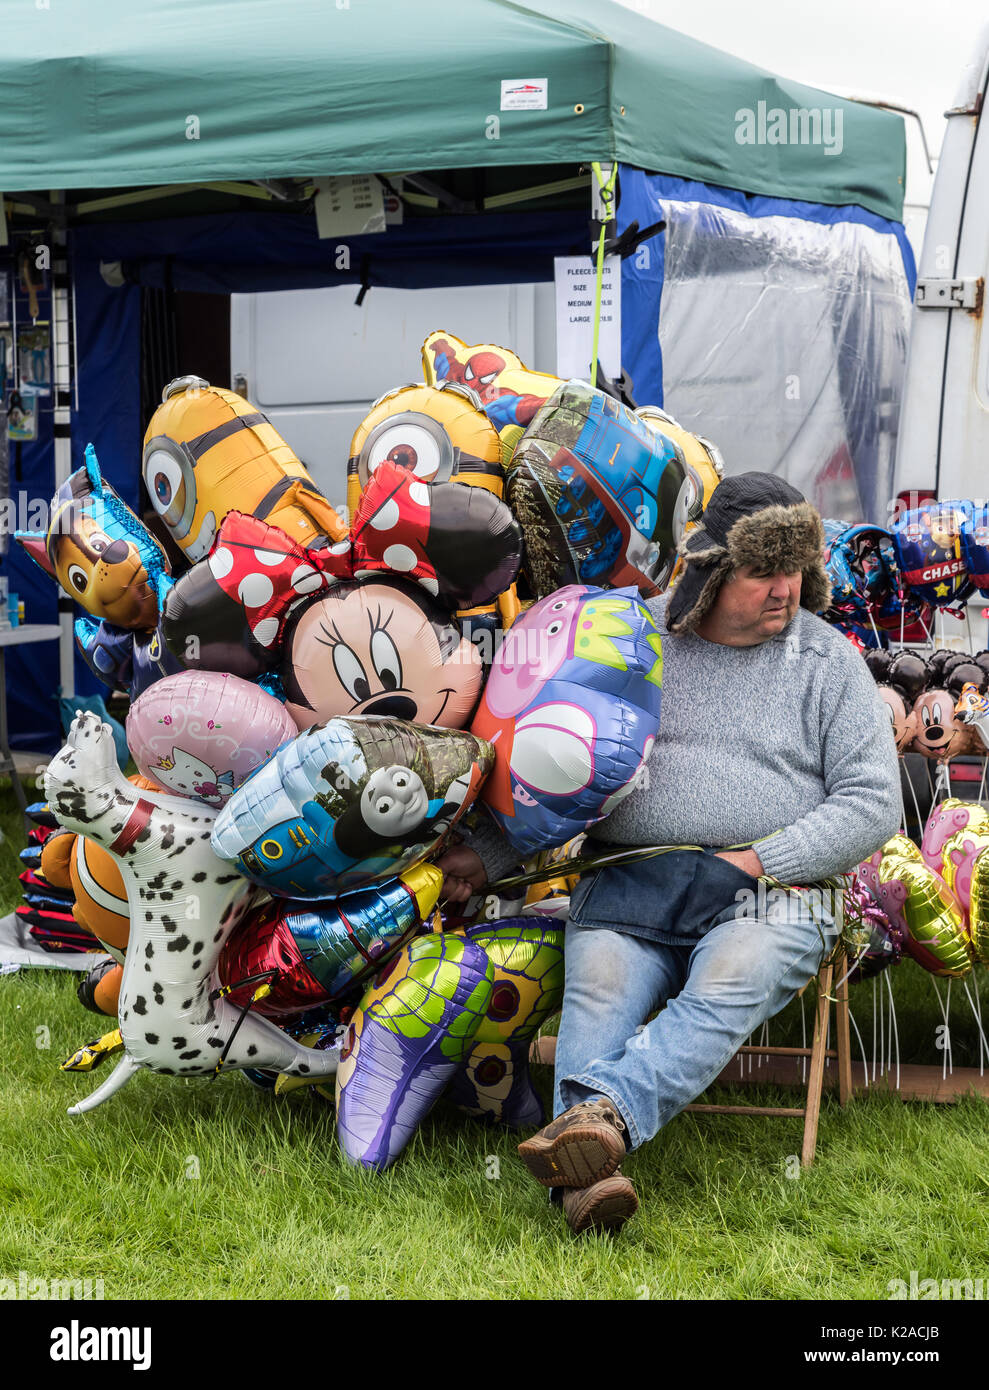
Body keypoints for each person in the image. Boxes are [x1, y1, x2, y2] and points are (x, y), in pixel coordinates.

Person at [438, 473, 900, 1236]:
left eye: (794, 569)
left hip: (770, 885)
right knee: (597, 996)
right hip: (630, 875)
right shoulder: (629, 640)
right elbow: (554, 758)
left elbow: (871, 801)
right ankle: (584, 1177)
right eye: (761, 571)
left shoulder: (826, 660)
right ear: (712, 570)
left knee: (731, 978)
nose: (784, 590)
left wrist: (758, 862)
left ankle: (605, 1125)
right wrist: (489, 853)